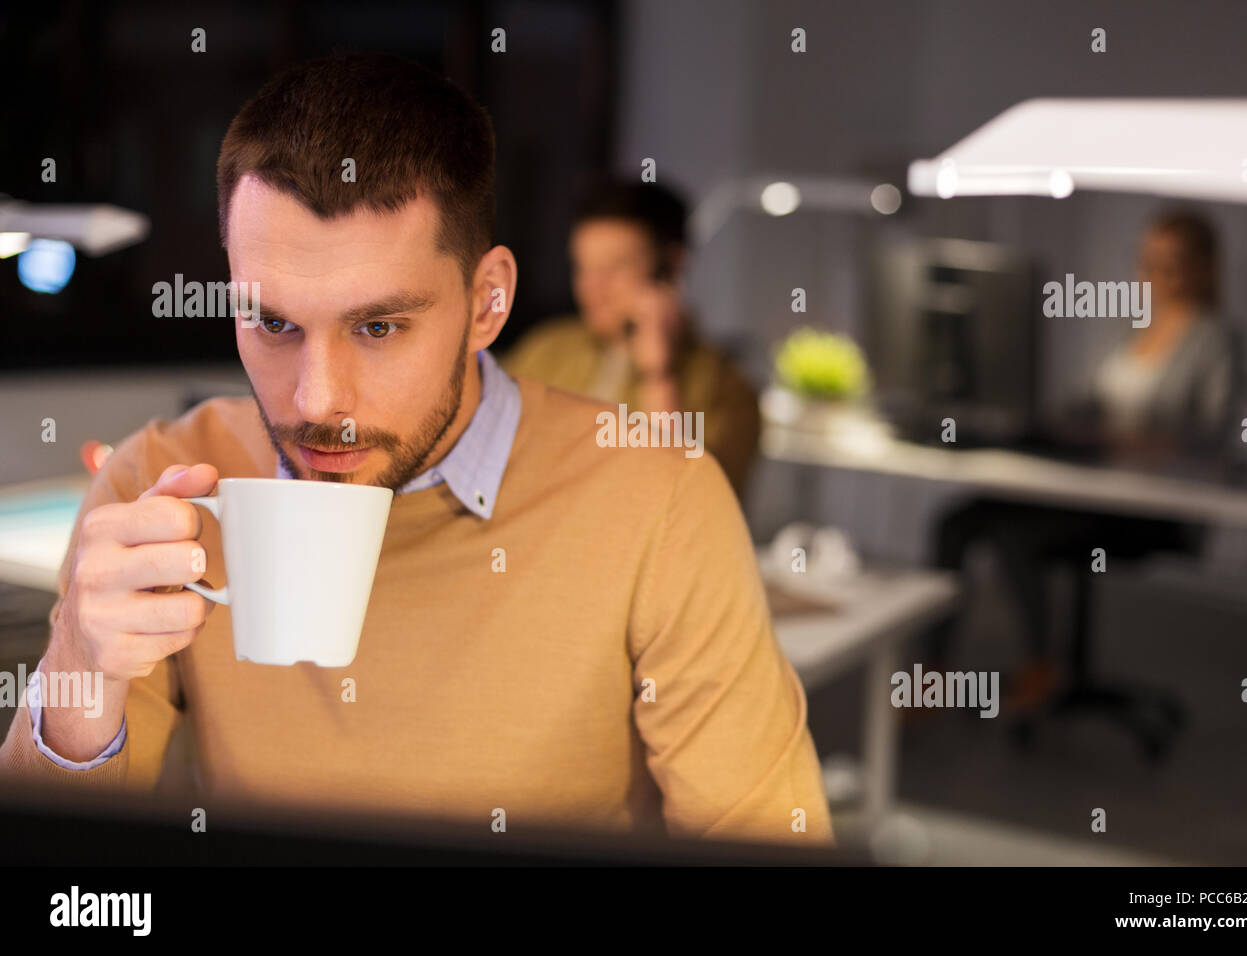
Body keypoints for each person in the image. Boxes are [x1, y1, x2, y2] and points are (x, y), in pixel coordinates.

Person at [0, 54, 832, 847]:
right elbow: (58, 880)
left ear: (486, 302)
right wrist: (76, 667)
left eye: (378, 326)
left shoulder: (660, 502)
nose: (316, 400)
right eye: (273, 322)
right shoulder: (160, 480)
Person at [926, 210, 1239, 715]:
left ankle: (1040, 666)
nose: (1156, 278)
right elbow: (1092, 402)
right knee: (960, 521)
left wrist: (1126, 441)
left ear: (1203, 268)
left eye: (1171, 266)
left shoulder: (1215, 339)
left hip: (1149, 509)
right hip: (1090, 488)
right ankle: (933, 678)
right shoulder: (1137, 328)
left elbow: (1210, 440)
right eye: (1148, 264)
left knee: (1016, 533)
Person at [500, 179, 761, 499]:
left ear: (671, 264)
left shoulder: (725, 390)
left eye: (615, 267)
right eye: (583, 267)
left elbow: (690, 505)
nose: (592, 287)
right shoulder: (547, 351)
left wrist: (658, 377)